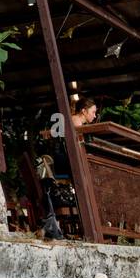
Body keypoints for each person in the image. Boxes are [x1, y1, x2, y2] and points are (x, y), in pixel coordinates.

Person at [36, 98, 97, 240]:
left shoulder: (68, 121)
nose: (95, 116)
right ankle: (90, 226)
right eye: (93, 112)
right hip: (66, 163)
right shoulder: (76, 123)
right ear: (84, 111)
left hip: (60, 162)